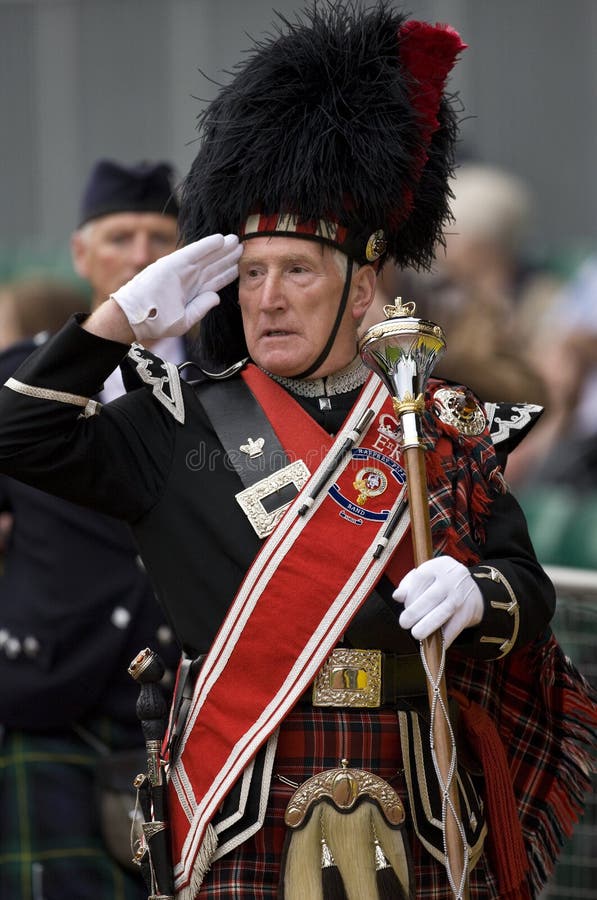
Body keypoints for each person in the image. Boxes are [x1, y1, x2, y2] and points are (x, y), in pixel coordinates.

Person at [0, 6, 594, 899]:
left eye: (298, 272)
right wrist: (113, 322)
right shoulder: (174, 424)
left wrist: (480, 594)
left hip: (416, 792)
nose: (267, 299)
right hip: (244, 785)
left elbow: (529, 591)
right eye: (250, 274)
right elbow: (19, 435)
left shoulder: (435, 422)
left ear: (362, 289)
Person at [0, 161, 184, 900]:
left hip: (183, 703)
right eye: (119, 237)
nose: (139, 254)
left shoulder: (223, 387)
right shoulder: (15, 382)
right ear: (82, 254)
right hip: (46, 690)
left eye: (159, 237)